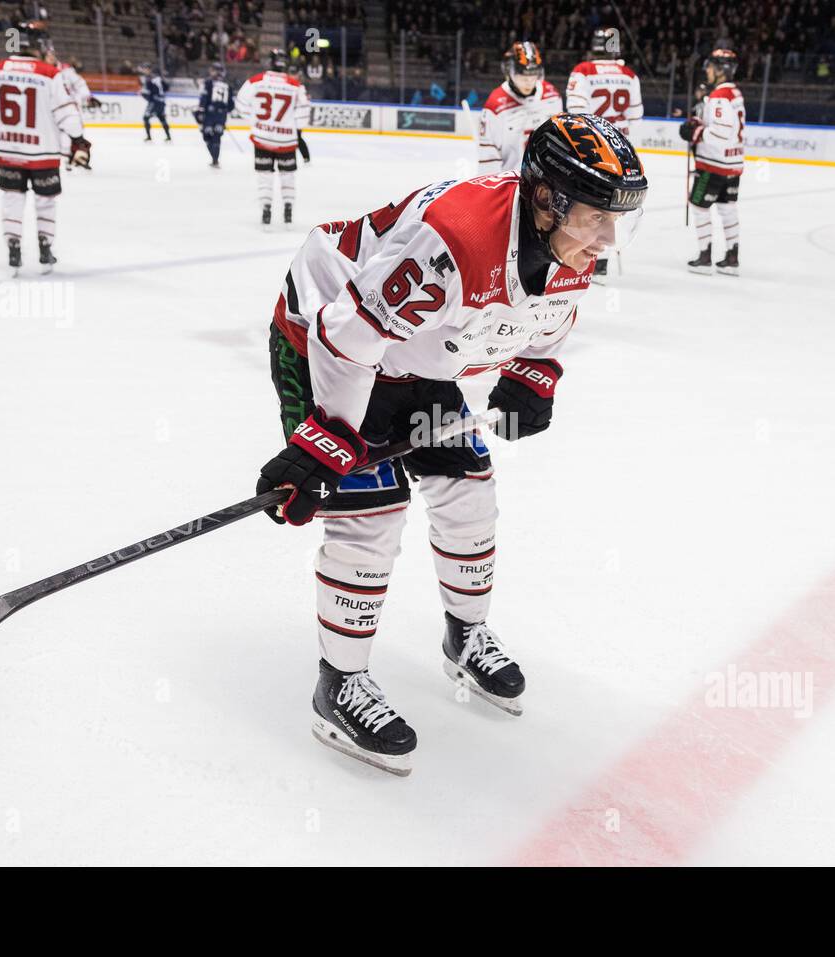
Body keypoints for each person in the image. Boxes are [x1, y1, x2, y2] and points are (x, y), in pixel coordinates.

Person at [255, 114, 647, 775]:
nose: (607, 240)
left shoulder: (566, 244)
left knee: (469, 491)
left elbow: (549, 316)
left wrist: (535, 372)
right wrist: (329, 440)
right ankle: (337, 685)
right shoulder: (456, 240)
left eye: (618, 220)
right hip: (326, 338)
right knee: (369, 515)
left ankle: (465, 635)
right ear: (546, 199)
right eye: (596, 218)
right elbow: (346, 335)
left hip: (416, 355)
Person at [0, 35, 91, 273]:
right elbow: (65, 112)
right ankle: (45, 248)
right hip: (43, 152)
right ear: (38, 49)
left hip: (8, 151)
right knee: (45, 201)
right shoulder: (49, 73)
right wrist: (78, 139)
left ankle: (13, 247)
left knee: (12, 198)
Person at [565, 27, 643, 275]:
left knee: (589, 204)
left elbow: (577, 114)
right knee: (614, 206)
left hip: (593, 149)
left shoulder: (583, 71)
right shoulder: (629, 75)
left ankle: (585, 254)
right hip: (621, 150)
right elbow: (636, 117)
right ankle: (602, 261)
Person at [682, 49, 745, 276]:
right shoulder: (735, 93)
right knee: (728, 209)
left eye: (710, 67)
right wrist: (700, 123)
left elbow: (720, 132)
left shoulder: (720, 96)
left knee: (699, 208)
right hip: (733, 163)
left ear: (720, 69)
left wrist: (696, 133)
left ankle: (704, 256)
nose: (707, 71)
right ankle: (732, 258)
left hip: (713, 164)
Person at [235, 48, 311, 225]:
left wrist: (256, 123)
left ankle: (266, 210)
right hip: (286, 140)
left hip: (262, 138)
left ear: (269, 62)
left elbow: (240, 104)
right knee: (287, 175)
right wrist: (293, 128)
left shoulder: (255, 81)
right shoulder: (295, 86)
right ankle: (288, 210)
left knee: (264, 176)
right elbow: (304, 112)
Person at [477, 41, 563, 174]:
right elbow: (488, 157)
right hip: (513, 181)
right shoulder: (495, 105)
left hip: (547, 179)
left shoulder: (552, 95)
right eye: (522, 75)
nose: (529, 81)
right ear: (509, 72)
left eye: (533, 74)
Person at [195, 62, 233, 168]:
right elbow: (231, 104)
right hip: (221, 116)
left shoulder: (208, 82)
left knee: (206, 135)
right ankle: (215, 160)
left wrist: (200, 111)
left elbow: (204, 97)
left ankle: (214, 159)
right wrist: (224, 111)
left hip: (209, 114)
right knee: (217, 136)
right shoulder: (228, 85)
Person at [138, 62, 171, 142]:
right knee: (161, 117)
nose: (143, 70)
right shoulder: (158, 77)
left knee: (146, 117)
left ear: (148, 69)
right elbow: (166, 87)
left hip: (154, 102)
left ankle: (149, 137)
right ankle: (168, 136)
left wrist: (142, 93)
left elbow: (149, 92)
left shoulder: (149, 79)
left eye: (145, 69)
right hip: (161, 102)